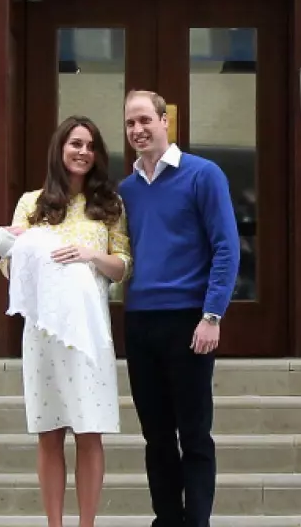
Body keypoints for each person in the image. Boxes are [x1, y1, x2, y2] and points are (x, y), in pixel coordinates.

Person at [0, 115, 131, 527]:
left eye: (90, 146)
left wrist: (89, 256)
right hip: (44, 331)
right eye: (75, 144)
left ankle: (86, 524)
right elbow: (7, 265)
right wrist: (27, 250)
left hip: (89, 332)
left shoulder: (110, 207)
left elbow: (123, 266)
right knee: (49, 432)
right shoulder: (32, 204)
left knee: (90, 432)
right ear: (60, 149)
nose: (83, 152)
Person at [118, 89, 240, 527]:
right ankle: (167, 520)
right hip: (140, 322)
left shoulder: (203, 175)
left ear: (164, 120)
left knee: (193, 433)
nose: (138, 130)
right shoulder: (126, 190)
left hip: (190, 320)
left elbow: (226, 247)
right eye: (130, 123)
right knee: (155, 436)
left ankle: (197, 522)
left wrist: (212, 316)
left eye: (145, 119)